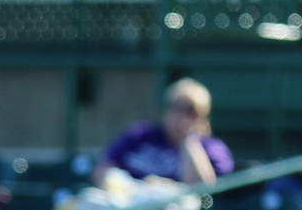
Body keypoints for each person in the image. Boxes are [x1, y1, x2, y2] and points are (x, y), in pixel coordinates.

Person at [94, 77, 234, 187]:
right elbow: (102, 170)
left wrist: (189, 142)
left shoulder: (212, 148)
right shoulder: (140, 135)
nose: (182, 116)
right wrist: (135, 187)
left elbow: (205, 192)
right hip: (133, 205)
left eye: (191, 110)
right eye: (177, 108)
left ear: (203, 117)